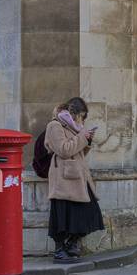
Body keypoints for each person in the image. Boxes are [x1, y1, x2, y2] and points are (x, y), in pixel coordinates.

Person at [45, 96, 105, 263]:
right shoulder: (55, 125)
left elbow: (78, 152)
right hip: (63, 178)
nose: (82, 120)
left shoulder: (73, 127)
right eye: (82, 116)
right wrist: (82, 137)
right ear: (74, 112)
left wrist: (87, 141)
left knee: (89, 211)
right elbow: (64, 150)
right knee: (63, 213)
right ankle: (59, 250)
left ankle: (72, 244)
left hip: (78, 176)